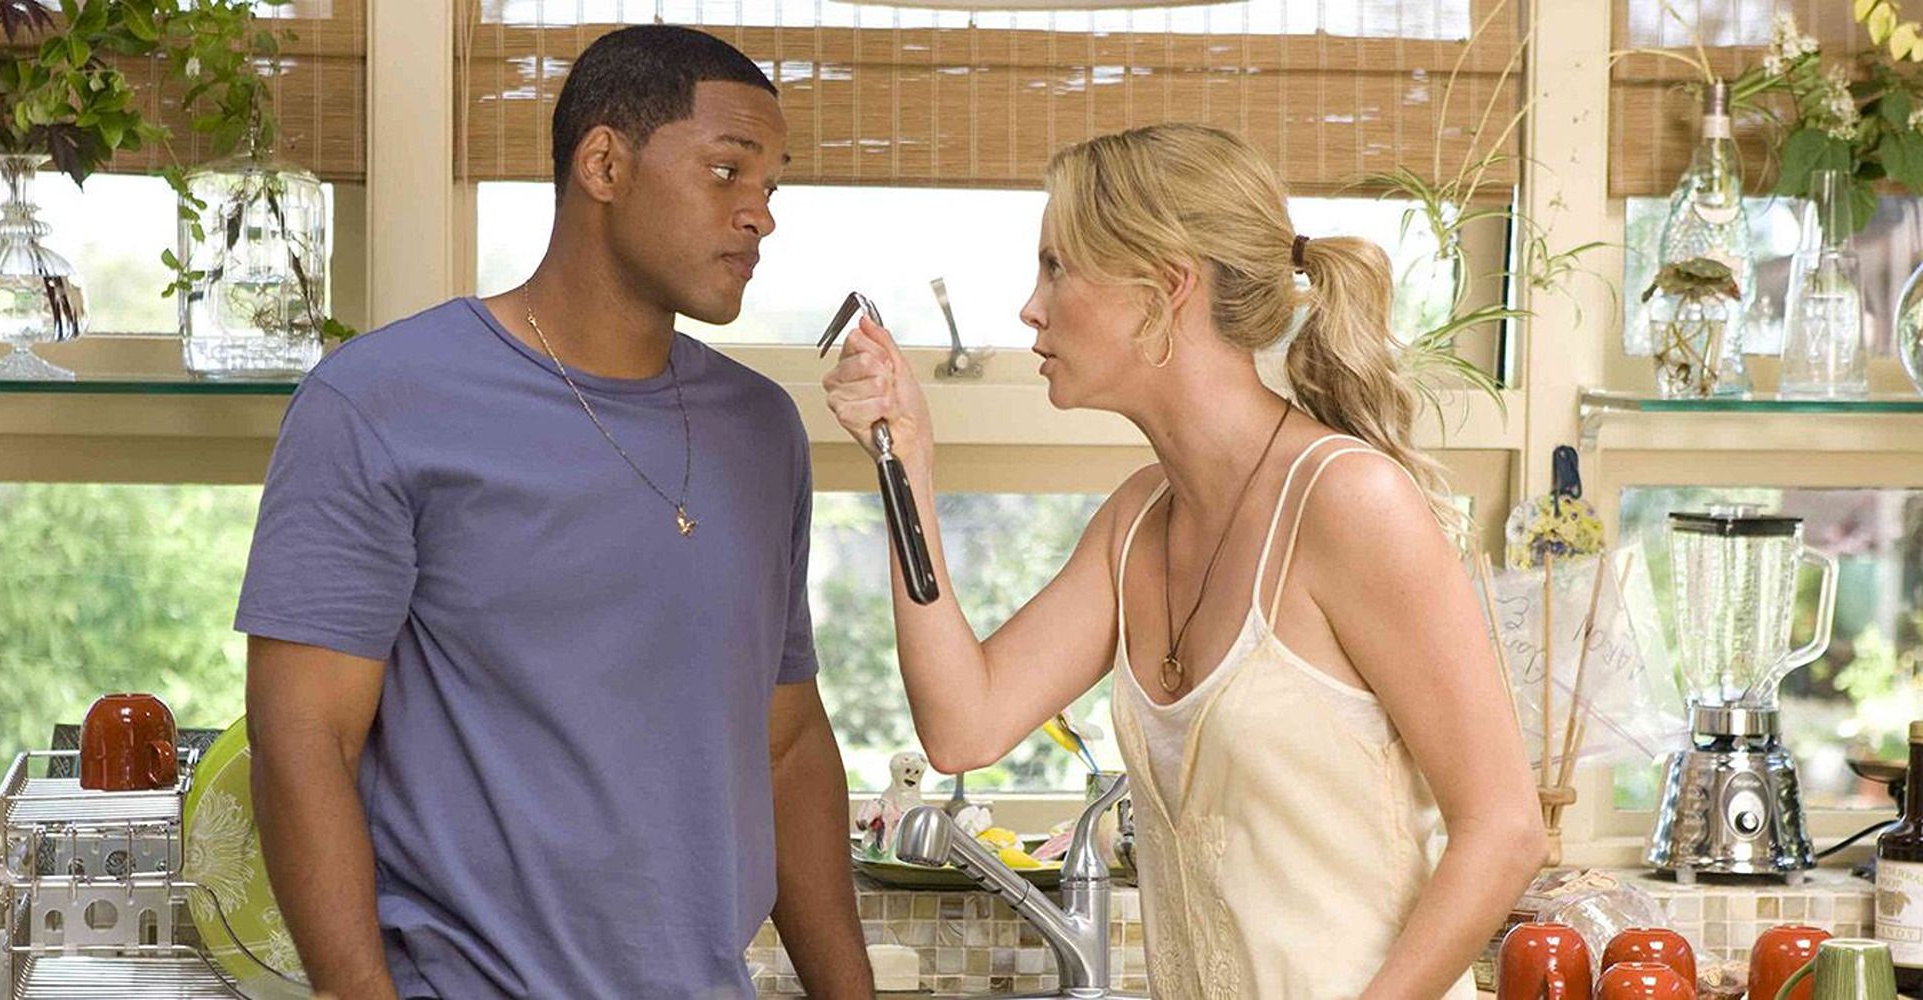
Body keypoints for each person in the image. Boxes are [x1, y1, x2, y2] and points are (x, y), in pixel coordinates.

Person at [821, 123, 1542, 998]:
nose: (1031, 308)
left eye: (1056, 267)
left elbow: (1505, 829)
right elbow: (962, 726)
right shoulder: (1136, 524)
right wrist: (904, 464)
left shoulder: (1348, 501)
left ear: (1164, 289)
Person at [236, 25, 871, 999]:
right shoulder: (378, 401)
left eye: (770, 187)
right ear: (604, 164)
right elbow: (303, 741)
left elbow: (785, 746)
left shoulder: (761, 430)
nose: (760, 216)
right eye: (726, 171)